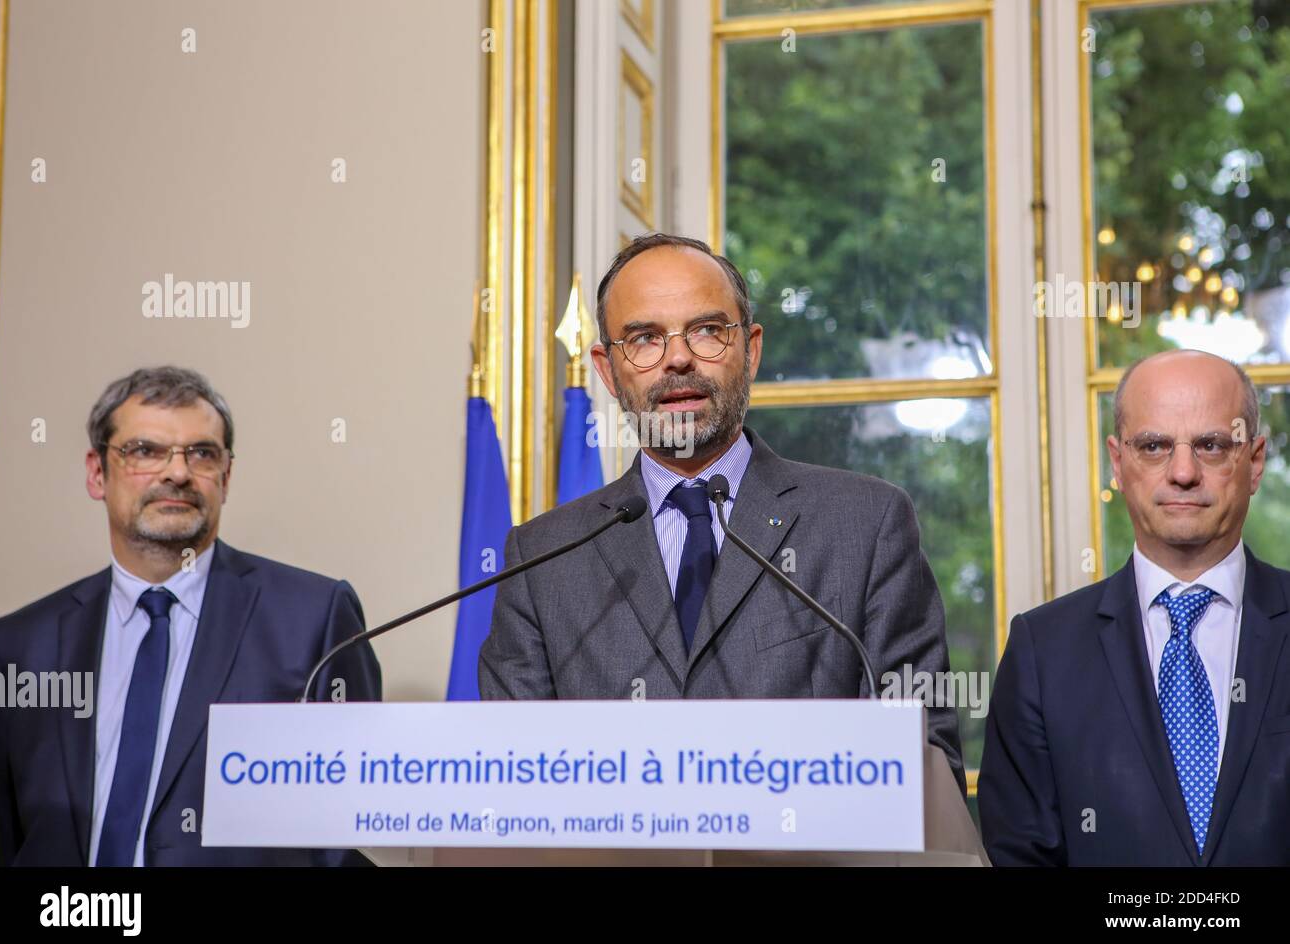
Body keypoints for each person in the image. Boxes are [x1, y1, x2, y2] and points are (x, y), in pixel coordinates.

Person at [478, 233, 964, 794]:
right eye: (644, 338)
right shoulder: (541, 560)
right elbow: (511, 785)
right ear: (609, 372)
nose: (679, 358)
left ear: (751, 351)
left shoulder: (867, 524)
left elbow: (923, 769)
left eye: (707, 331)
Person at [0, 366, 381, 866]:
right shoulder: (20, 646)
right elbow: (13, 835)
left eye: (201, 453)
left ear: (226, 476)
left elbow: (340, 836)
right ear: (96, 473)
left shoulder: (313, 619)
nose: (177, 472)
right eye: (145, 451)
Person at [979, 349, 1290, 865]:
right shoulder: (1043, 652)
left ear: (1253, 462)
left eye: (1212, 445)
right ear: (1118, 463)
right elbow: (1021, 856)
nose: (1184, 472)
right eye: (1153, 446)